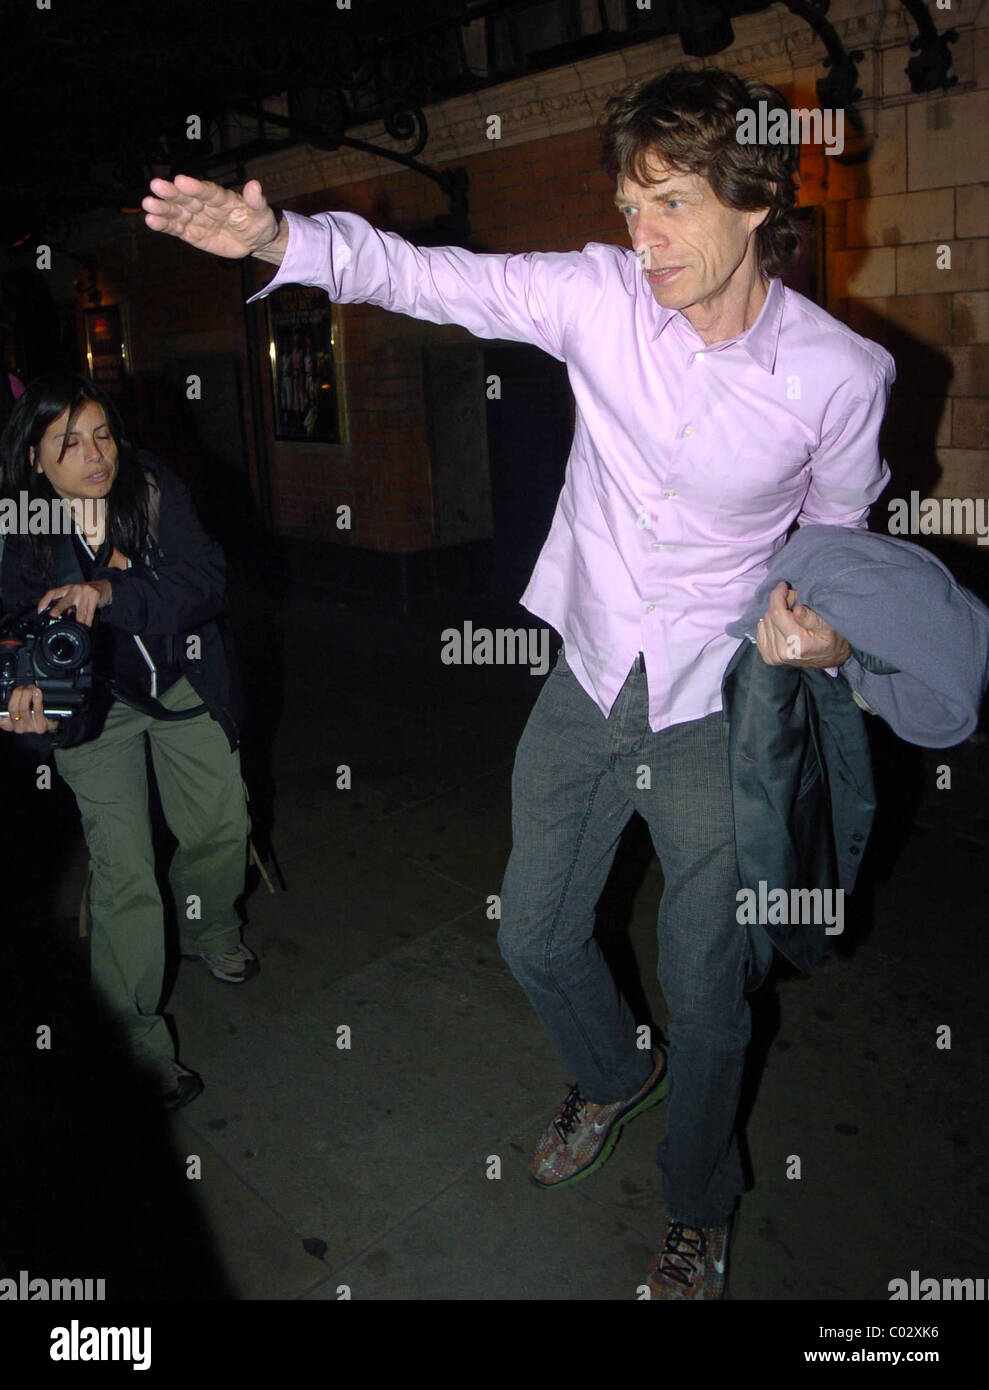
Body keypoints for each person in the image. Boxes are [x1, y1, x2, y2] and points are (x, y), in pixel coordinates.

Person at [142, 65, 893, 1294]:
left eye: (669, 206)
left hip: (715, 711)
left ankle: (700, 1201)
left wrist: (823, 631)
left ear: (755, 199)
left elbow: (840, 547)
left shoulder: (840, 375)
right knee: (535, 934)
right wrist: (279, 235)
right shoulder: (596, 298)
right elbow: (427, 276)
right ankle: (610, 1070)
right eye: (626, 206)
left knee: (711, 996)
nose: (637, 240)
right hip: (588, 677)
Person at [0, 374, 257, 1109]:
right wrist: (22, 714)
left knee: (221, 824)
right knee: (126, 872)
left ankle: (211, 928)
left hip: (179, 683)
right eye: (69, 443)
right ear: (35, 463)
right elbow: (12, 645)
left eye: (103, 433)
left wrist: (113, 594)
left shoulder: (149, 489)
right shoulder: (17, 529)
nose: (95, 454)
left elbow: (206, 579)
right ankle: (135, 1049)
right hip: (94, 713)